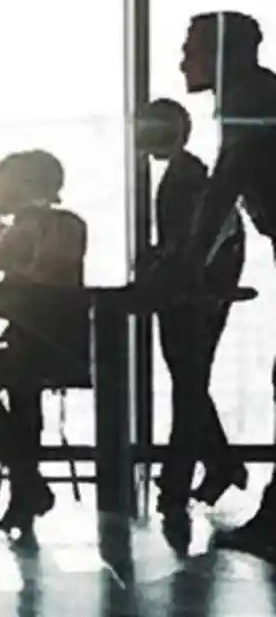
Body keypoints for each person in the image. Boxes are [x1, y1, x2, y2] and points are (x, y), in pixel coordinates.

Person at [153, 11, 276, 560]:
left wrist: (187, 265)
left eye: (192, 48)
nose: (183, 60)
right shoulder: (254, 93)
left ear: (223, 54)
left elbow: (227, 181)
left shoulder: (249, 97)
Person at [0, 150, 88, 539]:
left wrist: (6, 268)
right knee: (0, 383)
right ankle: (27, 484)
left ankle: (26, 485)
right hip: (27, 341)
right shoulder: (5, 229)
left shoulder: (66, 225)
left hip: (61, 344)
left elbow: (49, 277)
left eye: (1, 180)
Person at [137, 98, 247, 540]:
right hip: (200, 290)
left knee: (188, 382)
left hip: (193, 294)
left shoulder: (185, 177)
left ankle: (180, 481)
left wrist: (180, 275)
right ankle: (214, 467)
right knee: (190, 381)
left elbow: (200, 237)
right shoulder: (188, 172)